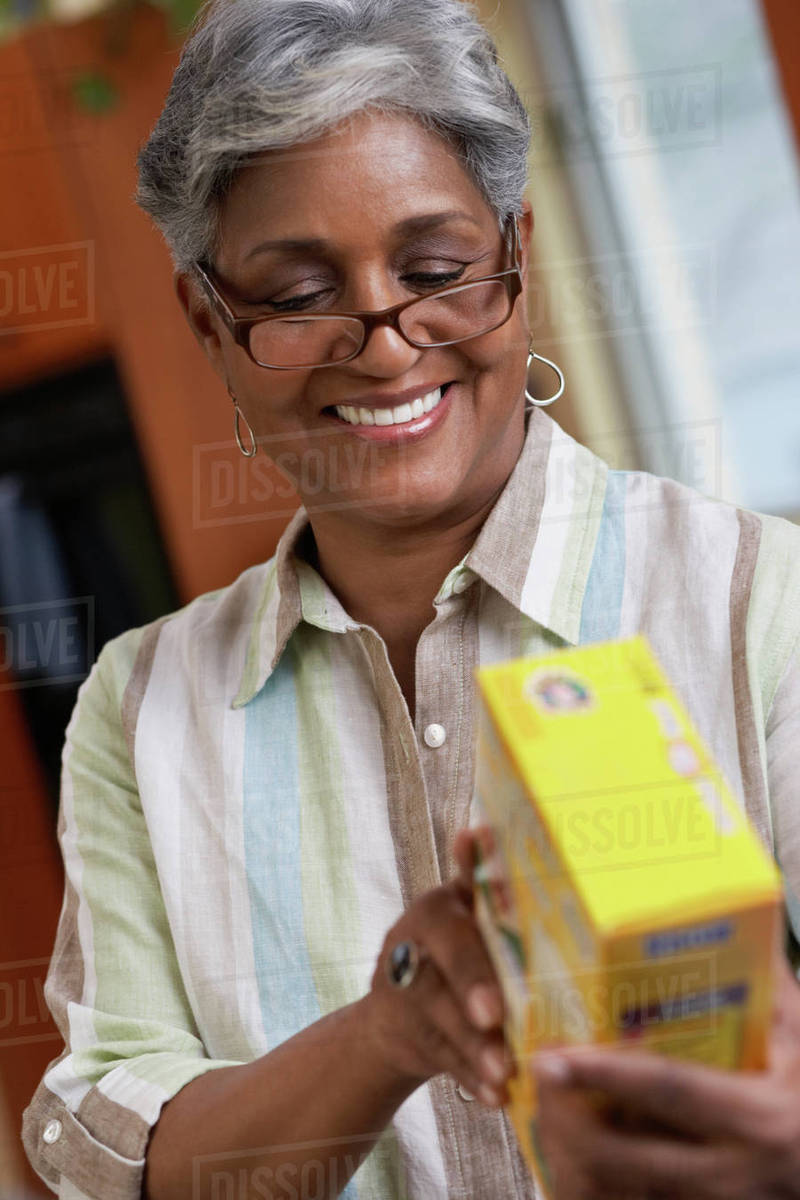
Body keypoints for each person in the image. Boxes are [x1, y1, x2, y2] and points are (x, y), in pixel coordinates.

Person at [21, 0, 800, 1197]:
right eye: (293, 295)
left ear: (515, 261)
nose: (384, 346)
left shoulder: (757, 603)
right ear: (207, 323)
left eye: (434, 271)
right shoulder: (144, 709)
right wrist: (390, 1032)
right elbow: (114, 1163)